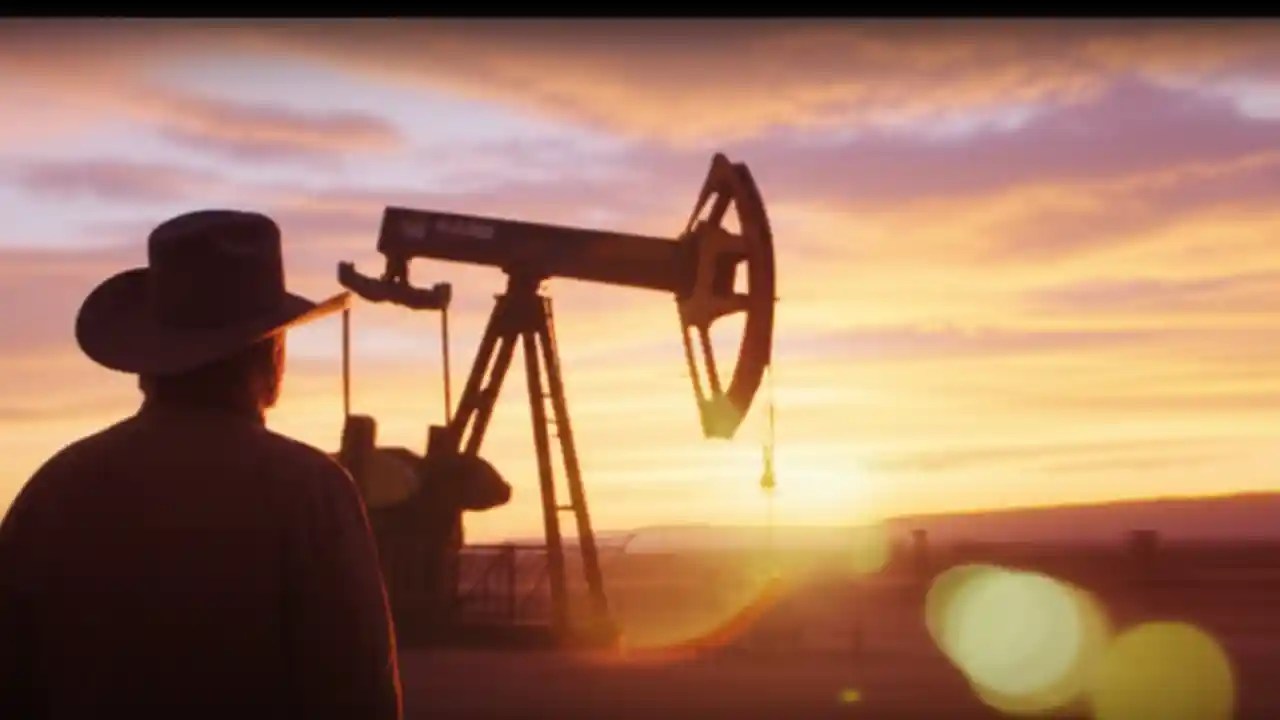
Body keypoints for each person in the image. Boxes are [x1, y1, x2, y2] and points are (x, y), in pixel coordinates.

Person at [0, 209, 403, 718]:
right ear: (271, 355)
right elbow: (358, 691)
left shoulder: (56, 488)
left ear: (148, 357)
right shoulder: (312, 491)